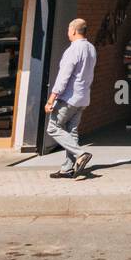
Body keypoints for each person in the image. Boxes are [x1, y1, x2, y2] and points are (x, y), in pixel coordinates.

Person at [45, 17, 97, 179]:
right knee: (72, 132)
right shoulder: (91, 48)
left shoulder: (73, 49)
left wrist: (51, 98)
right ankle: (67, 168)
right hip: (83, 97)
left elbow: (63, 76)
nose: (67, 33)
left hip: (69, 97)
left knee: (53, 128)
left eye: (68, 30)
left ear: (74, 31)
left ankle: (81, 154)